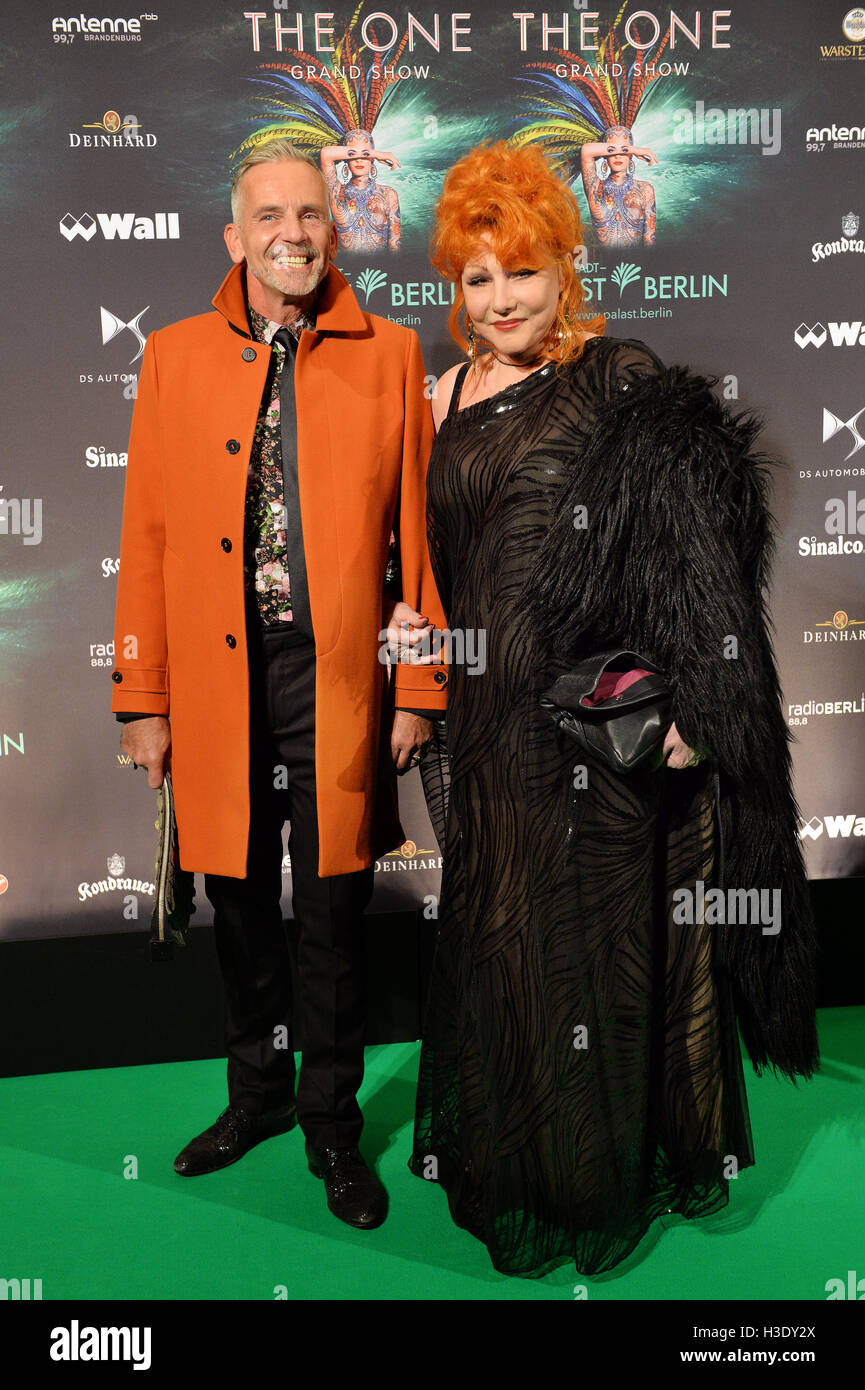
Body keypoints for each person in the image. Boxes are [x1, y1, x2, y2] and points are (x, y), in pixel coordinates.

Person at [409, 140, 819, 1278]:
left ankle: (589, 1185)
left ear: (563, 270)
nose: (499, 301)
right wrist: (424, 639)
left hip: (582, 726)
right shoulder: (439, 393)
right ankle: (514, 1160)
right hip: (483, 726)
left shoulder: (617, 378)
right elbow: (459, 560)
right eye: (477, 278)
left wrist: (698, 700)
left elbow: (701, 548)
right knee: (503, 944)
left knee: (592, 953)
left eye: (522, 272)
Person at [111, 137, 447, 1230]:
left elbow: (419, 545)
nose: (292, 233)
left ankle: (331, 1129)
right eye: (269, 216)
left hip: (337, 677)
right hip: (216, 680)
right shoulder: (170, 357)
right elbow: (149, 538)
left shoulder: (392, 352)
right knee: (240, 903)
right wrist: (143, 698)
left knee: (336, 909)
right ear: (234, 235)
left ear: (333, 228)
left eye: (310, 213)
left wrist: (417, 692)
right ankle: (251, 1096)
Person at [320, 131, 401, 252]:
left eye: (365, 155)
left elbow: (395, 244)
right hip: (345, 268)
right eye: (352, 155)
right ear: (346, 160)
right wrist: (375, 153)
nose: (359, 160)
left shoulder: (389, 194)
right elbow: (325, 154)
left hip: (381, 268)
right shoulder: (337, 193)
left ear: (372, 160)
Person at [579, 126, 658, 247]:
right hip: (602, 263)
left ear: (631, 155)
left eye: (624, 151)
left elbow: (650, 239)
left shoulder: (645, 189)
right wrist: (634, 149)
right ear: (605, 154)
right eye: (612, 151)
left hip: (636, 263)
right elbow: (586, 150)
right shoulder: (595, 188)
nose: (618, 155)